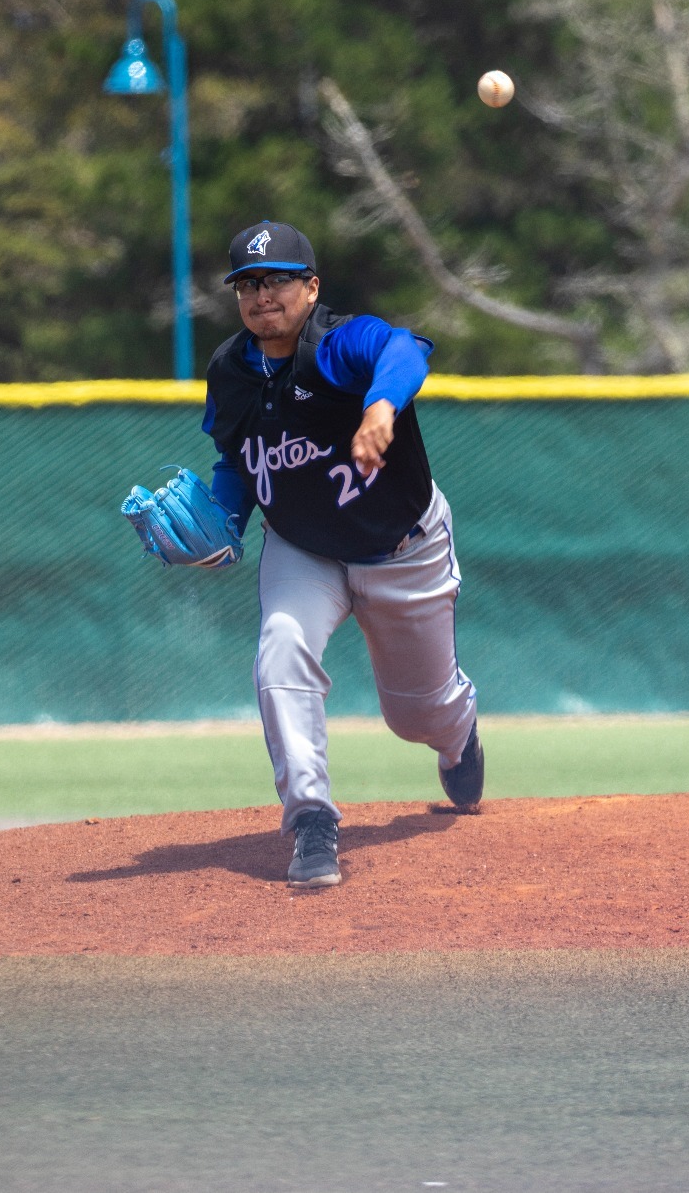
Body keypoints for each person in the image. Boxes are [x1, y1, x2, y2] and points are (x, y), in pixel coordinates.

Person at [200, 220, 483, 887]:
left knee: (415, 713)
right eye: (247, 283)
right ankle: (311, 819)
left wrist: (381, 407)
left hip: (402, 550)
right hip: (303, 549)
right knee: (279, 649)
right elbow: (236, 464)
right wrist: (221, 525)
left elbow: (404, 348)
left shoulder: (338, 343)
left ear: (311, 285)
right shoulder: (230, 372)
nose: (261, 295)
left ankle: (458, 732)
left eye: (276, 280)